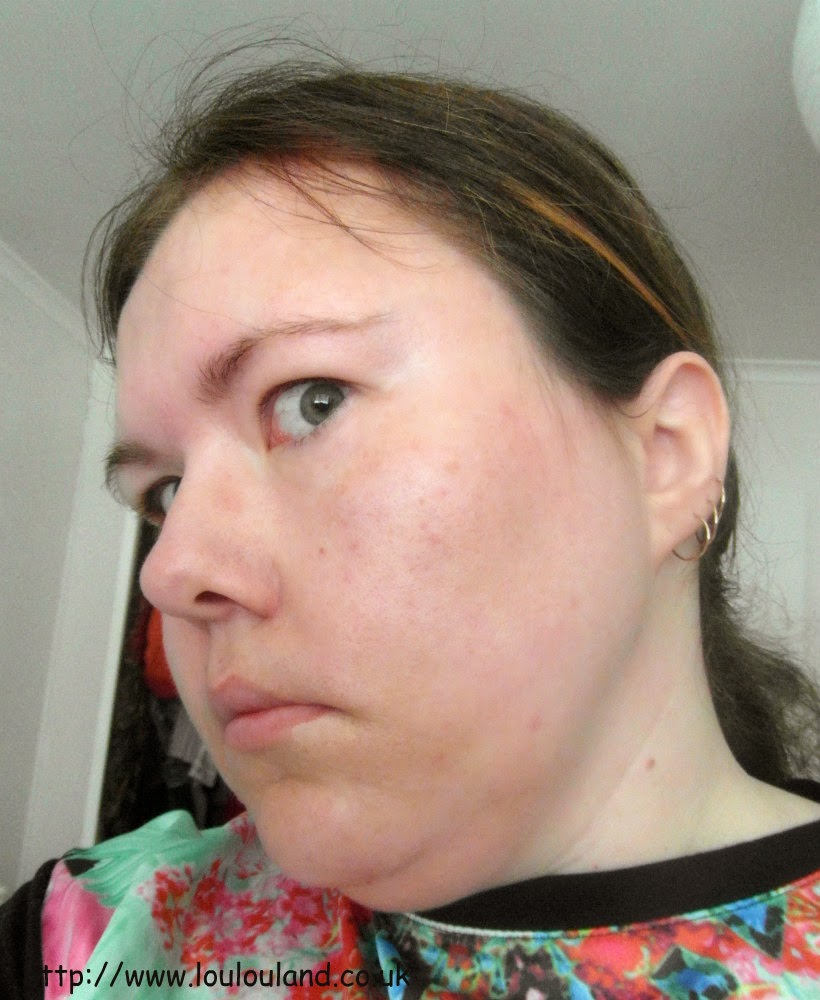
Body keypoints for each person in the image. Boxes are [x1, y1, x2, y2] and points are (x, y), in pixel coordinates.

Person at [2, 53, 819, 999]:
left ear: (666, 454)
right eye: (166, 492)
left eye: (311, 401)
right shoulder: (90, 937)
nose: (170, 571)